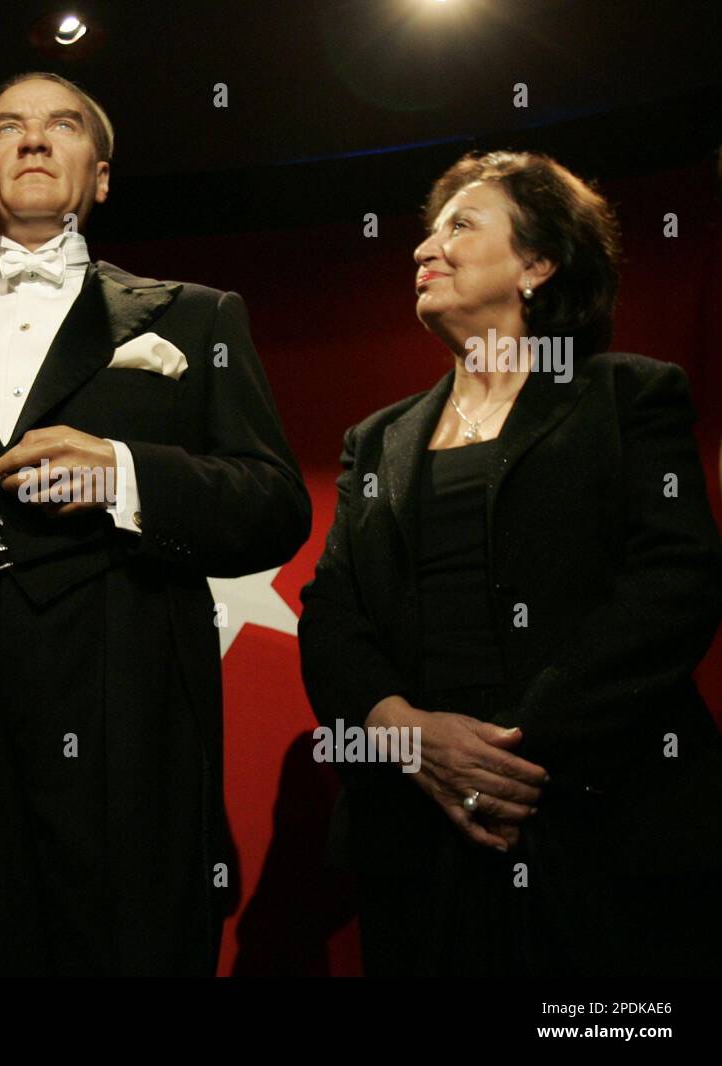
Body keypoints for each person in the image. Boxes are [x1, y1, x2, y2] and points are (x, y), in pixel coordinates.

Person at [0, 72, 311, 976]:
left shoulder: (197, 314)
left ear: (99, 177)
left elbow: (274, 504)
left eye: (61, 125)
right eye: (7, 127)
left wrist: (125, 472)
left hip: (124, 706)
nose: (32, 138)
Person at [299, 150, 722, 977]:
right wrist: (408, 738)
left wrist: (504, 756)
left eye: (460, 226)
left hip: (599, 831)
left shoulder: (628, 397)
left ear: (537, 262)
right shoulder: (375, 440)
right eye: (424, 233)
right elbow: (333, 615)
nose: (425, 249)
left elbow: (674, 586)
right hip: (419, 845)